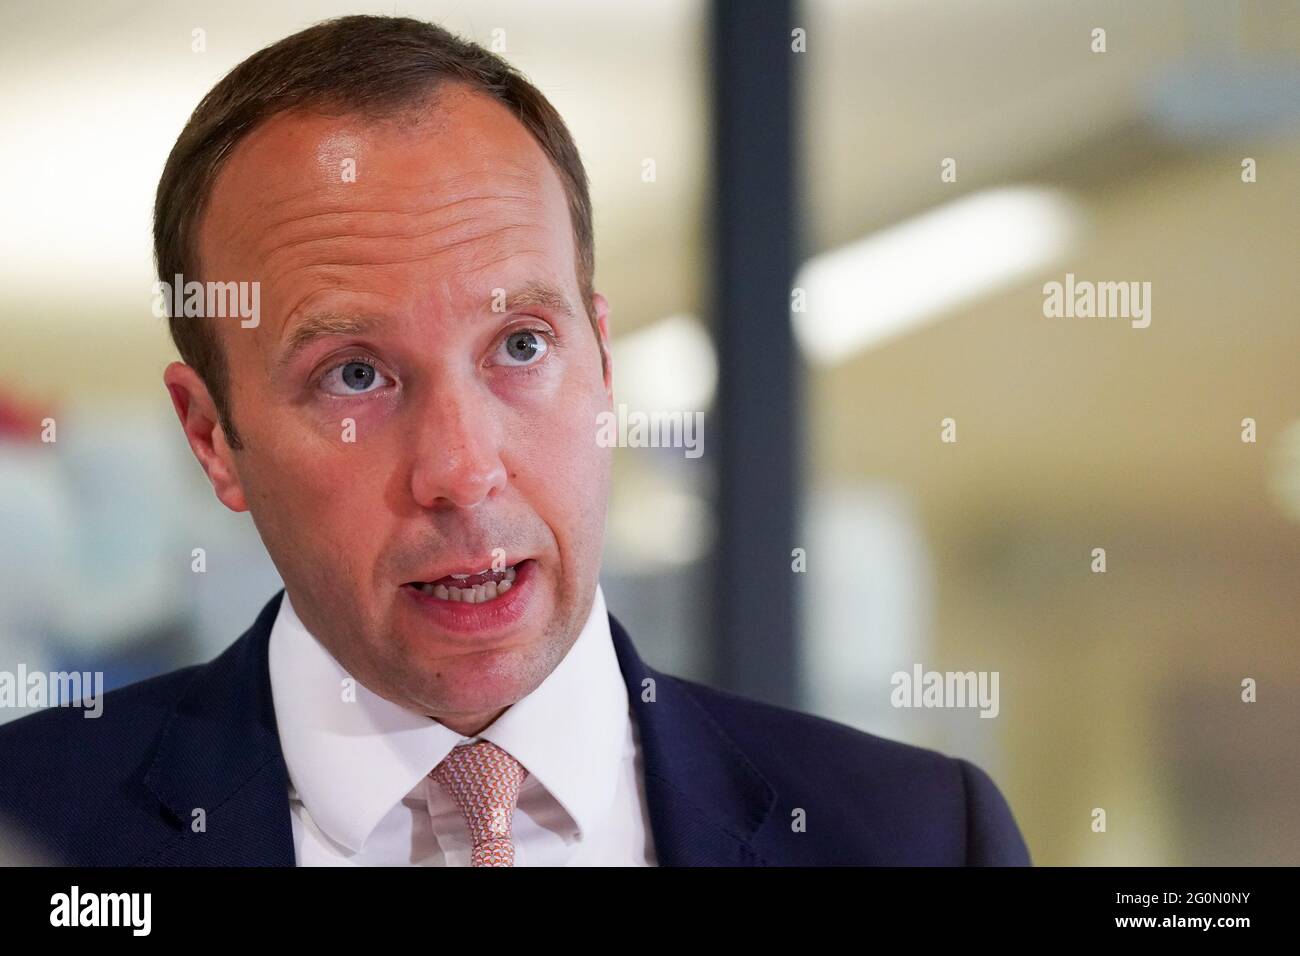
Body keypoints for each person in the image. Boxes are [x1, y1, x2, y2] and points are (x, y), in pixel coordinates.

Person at [0, 15, 1030, 866]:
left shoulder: (916, 836)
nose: (461, 469)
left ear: (603, 361)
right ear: (212, 437)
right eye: (354, 374)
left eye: (521, 343)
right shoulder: (36, 826)